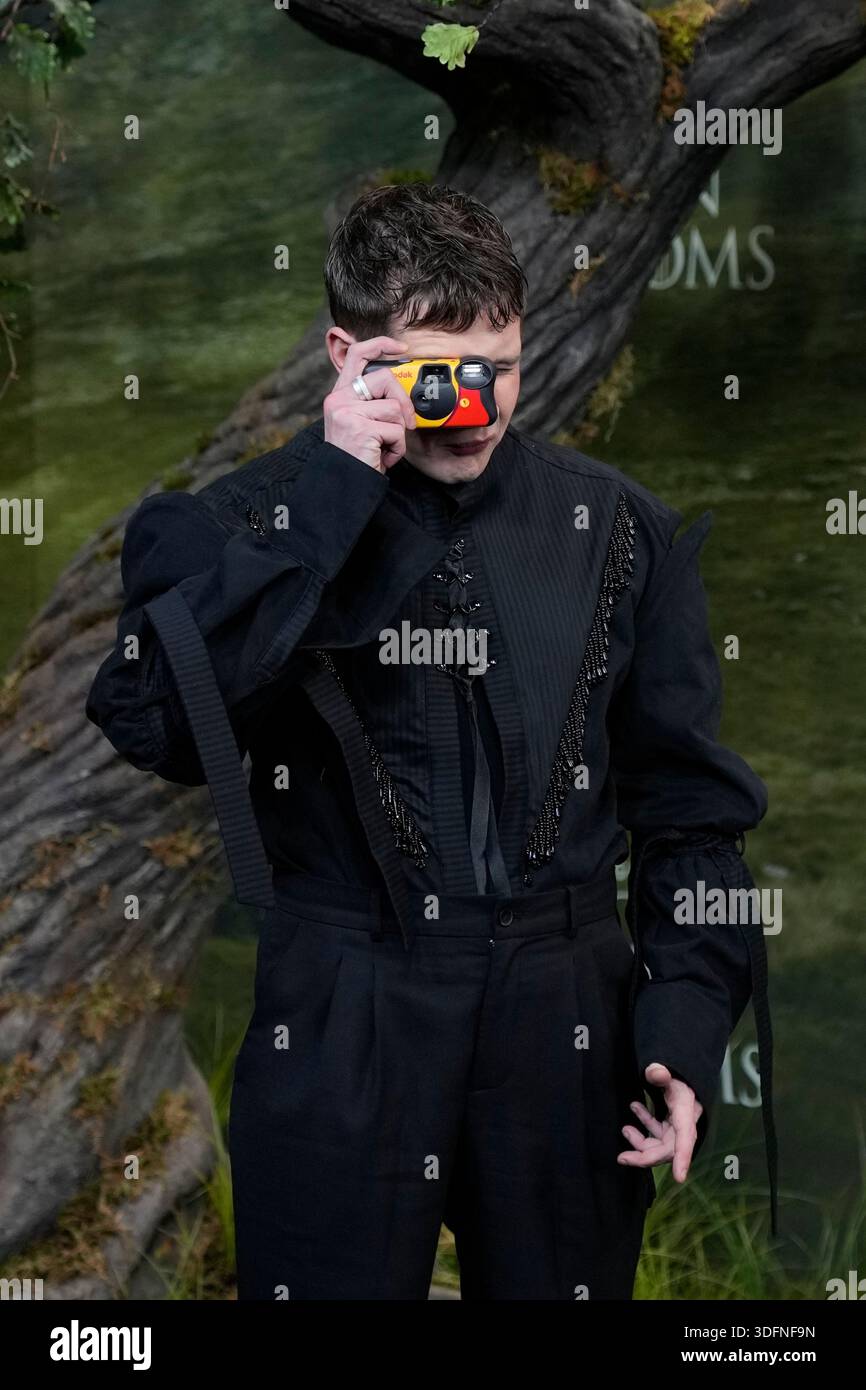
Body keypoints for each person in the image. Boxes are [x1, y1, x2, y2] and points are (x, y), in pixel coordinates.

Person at [85, 181, 776, 1301]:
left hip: (565, 1012)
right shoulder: (230, 527)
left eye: (499, 364)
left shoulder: (619, 531)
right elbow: (155, 722)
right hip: (339, 997)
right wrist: (328, 498)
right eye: (436, 371)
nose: (480, 406)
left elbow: (692, 815)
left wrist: (683, 1022)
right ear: (345, 355)